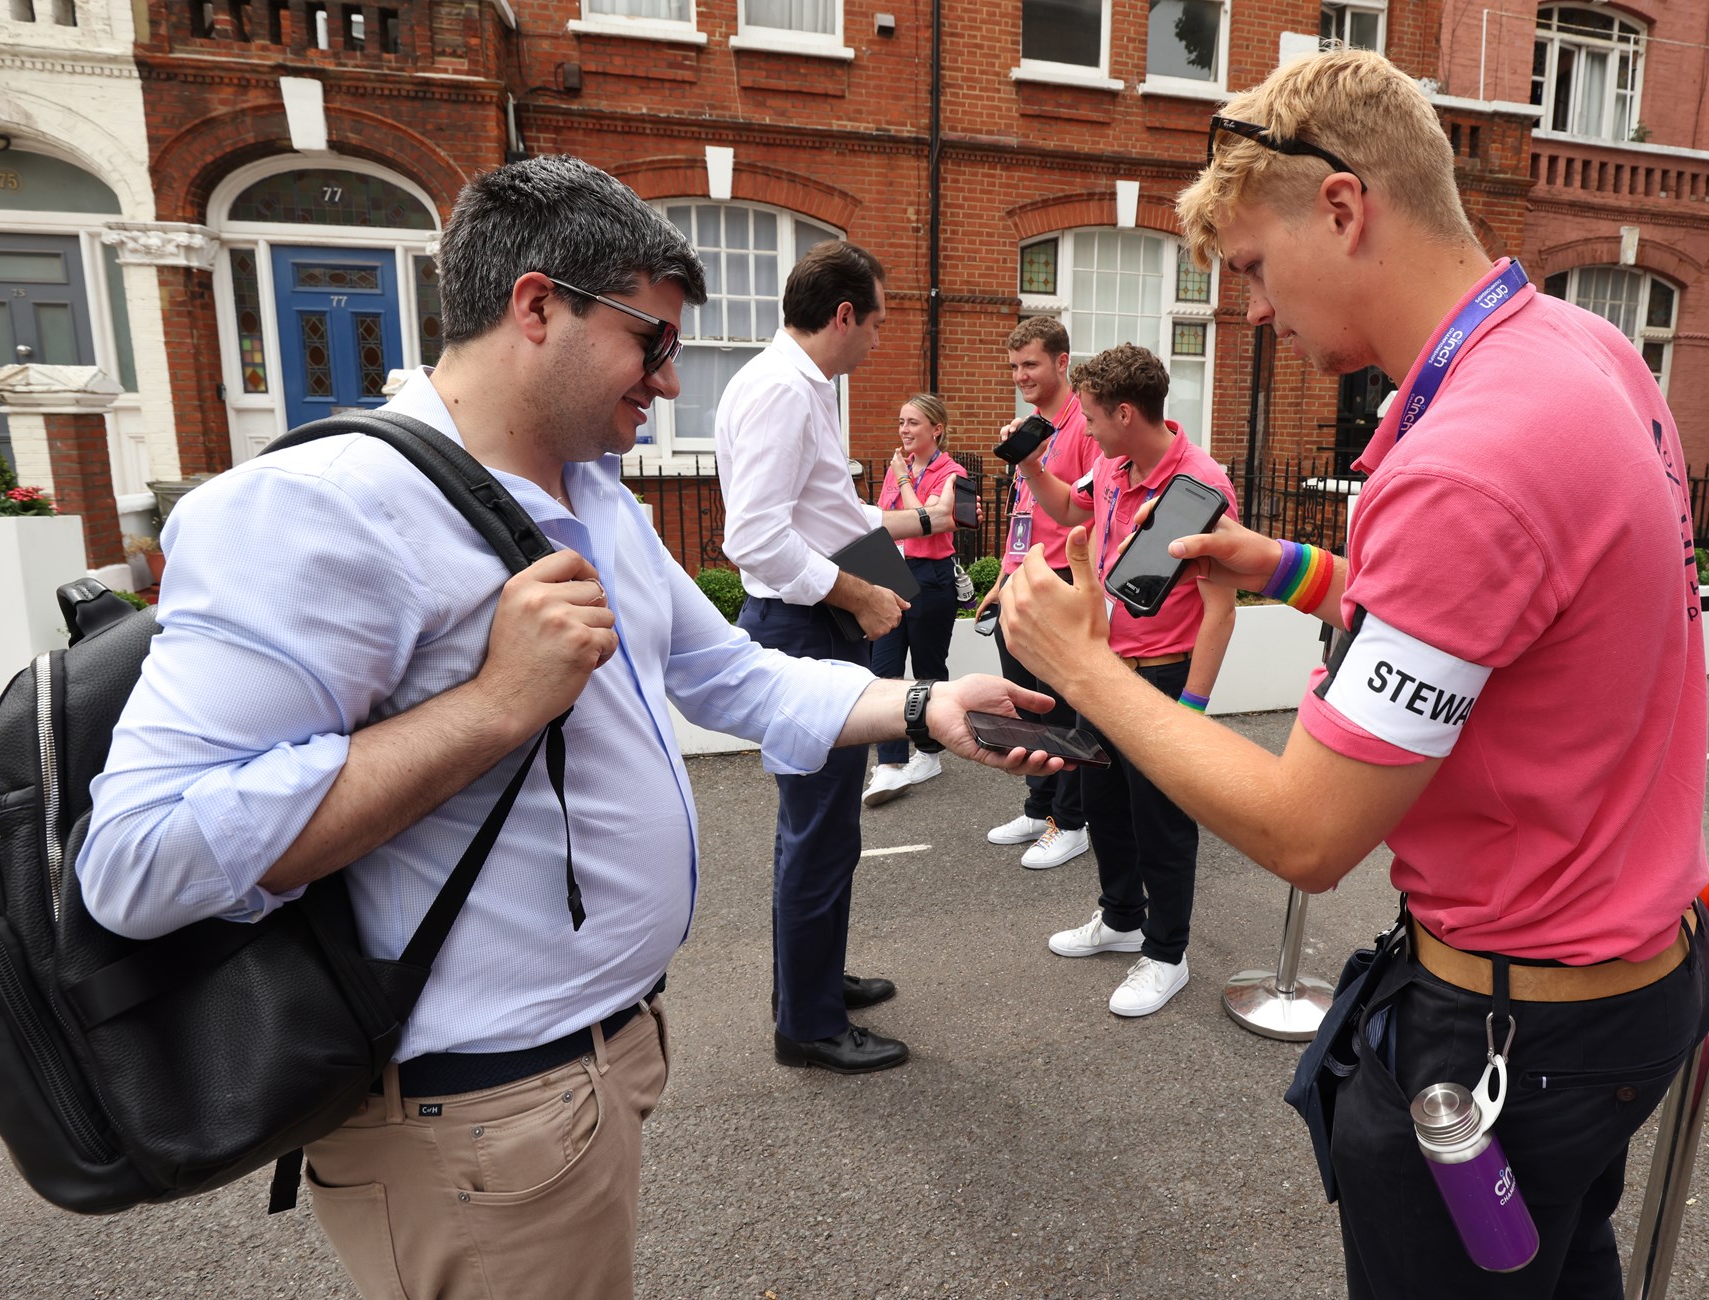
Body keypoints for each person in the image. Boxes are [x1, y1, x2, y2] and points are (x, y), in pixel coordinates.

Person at [75, 158, 1056, 1299]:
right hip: (472, 1115)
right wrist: (492, 704)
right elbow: (138, 859)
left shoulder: (594, 497)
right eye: (651, 341)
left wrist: (928, 707)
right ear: (537, 306)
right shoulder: (316, 508)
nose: (671, 384)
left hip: (591, 1068)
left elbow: (728, 672)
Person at [1001, 51, 1709, 1299]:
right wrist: (1280, 564)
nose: (1254, 312)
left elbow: (1305, 831)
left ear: (1342, 207)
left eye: (1250, 269)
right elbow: (1514, 624)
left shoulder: (1468, 458)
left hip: (1511, 1032)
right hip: (1632, 984)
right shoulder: (1580, 349)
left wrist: (1086, 666)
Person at [715, 240, 963, 1074]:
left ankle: (812, 983)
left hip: (809, 621)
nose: (879, 341)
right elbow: (754, 535)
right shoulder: (785, 391)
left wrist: (917, 528)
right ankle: (809, 1026)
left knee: (826, 829)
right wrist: (860, 595)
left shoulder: (799, 385)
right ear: (844, 314)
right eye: (878, 322)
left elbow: (826, 509)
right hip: (803, 627)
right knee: (819, 832)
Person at [1007, 343, 1237, 1016]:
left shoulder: (1203, 486)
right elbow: (1066, 511)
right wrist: (1026, 462)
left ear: (1126, 413)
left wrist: (1191, 708)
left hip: (1163, 680)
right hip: (1104, 671)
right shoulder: (1112, 468)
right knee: (1103, 807)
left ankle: (1167, 953)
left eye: (1095, 418)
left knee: (1161, 822)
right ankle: (1120, 920)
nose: (1088, 431)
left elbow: (1221, 612)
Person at [976, 316, 1102, 870]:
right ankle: (1038, 807)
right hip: (1023, 579)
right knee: (1025, 706)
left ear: (1061, 363)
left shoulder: (1085, 427)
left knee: (1066, 708)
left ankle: (1070, 824)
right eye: (1013, 367)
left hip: (1065, 581)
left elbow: (1088, 509)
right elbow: (1022, 514)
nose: (1020, 375)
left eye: (1030, 364)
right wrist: (1002, 579)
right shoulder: (1029, 427)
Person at [863, 393, 971, 805]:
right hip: (891, 574)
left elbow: (926, 524)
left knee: (927, 670)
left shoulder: (954, 473)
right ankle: (889, 765)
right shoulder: (898, 470)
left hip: (931, 578)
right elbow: (886, 520)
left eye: (913, 422)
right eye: (901, 421)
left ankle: (929, 752)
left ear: (936, 429)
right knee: (883, 668)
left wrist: (904, 480)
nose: (904, 430)